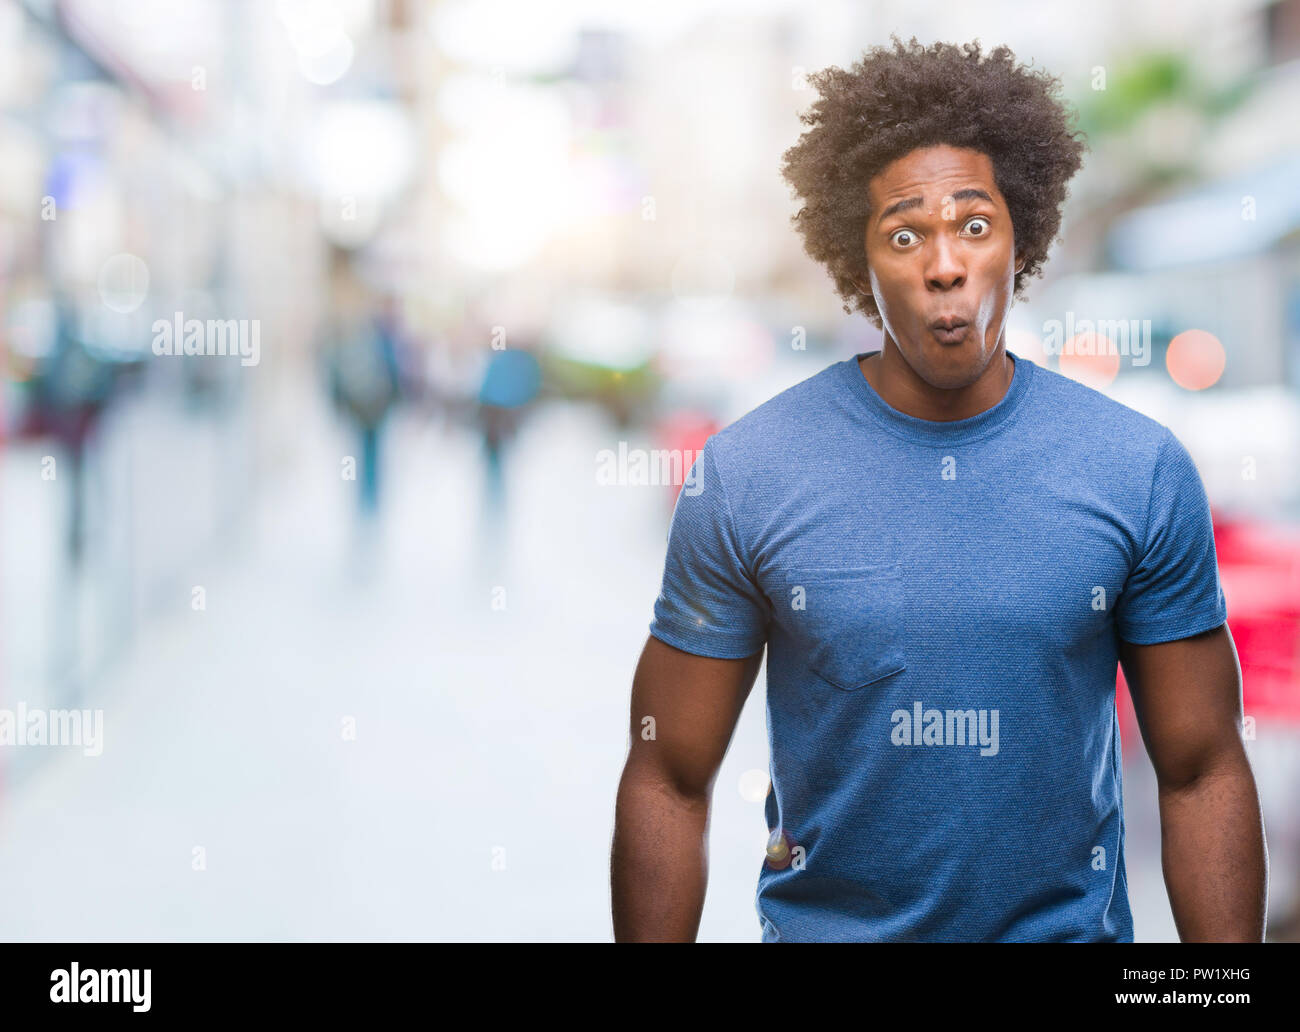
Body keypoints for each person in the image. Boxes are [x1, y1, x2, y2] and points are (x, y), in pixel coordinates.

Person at [611, 37, 1267, 943]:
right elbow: (667, 775)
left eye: (973, 223)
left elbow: (1202, 770)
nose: (944, 264)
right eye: (905, 233)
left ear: (1020, 237)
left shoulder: (1136, 468)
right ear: (859, 258)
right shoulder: (749, 474)